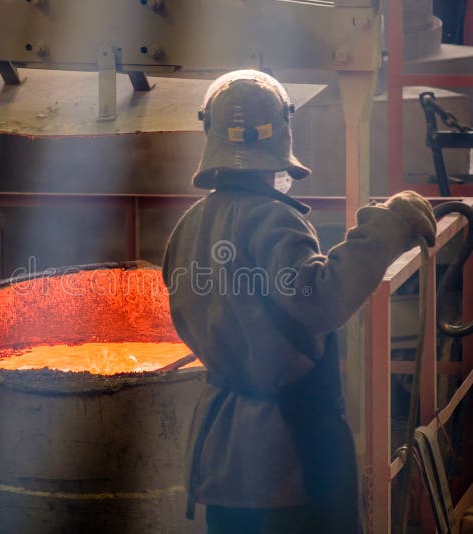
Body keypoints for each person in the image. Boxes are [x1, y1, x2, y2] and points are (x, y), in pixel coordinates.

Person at [162, 70, 437, 533]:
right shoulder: (273, 219)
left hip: (223, 452)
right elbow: (321, 298)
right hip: (287, 453)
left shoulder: (189, 227)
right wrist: (390, 227)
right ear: (281, 139)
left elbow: (185, 311)